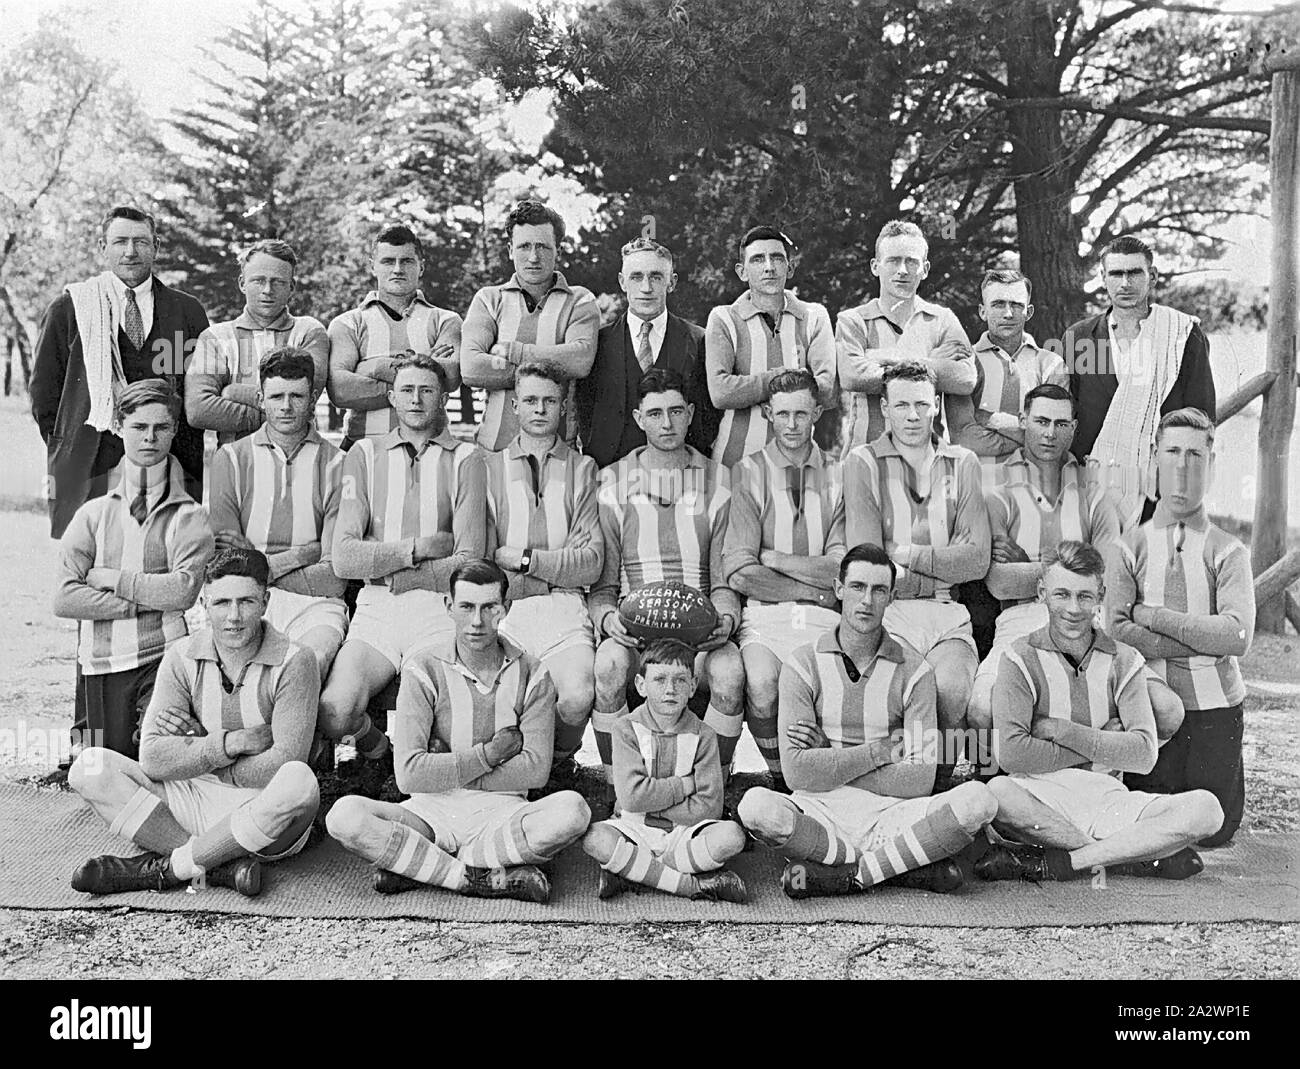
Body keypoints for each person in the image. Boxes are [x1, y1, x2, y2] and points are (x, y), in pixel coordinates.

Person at [737, 544, 998, 898]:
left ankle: (850, 875)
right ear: (838, 589)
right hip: (822, 808)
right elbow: (797, 773)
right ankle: (902, 867)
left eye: (878, 590)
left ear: (891, 597)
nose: (867, 601)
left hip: (891, 812)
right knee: (754, 807)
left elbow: (920, 780)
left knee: (979, 800)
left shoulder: (915, 671)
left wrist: (828, 757)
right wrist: (880, 752)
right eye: (858, 587)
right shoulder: (802, 664)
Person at [325, 559, 591, 903]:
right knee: (344, 817)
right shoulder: (423, 669)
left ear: (505, 609)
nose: (477, 621)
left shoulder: (533, 673)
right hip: (431, 811)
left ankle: (424, 866)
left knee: (574, 811)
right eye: (466, 607)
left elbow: (536, 772)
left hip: (503, 811)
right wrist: (490, 755)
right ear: (448, 607)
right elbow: (408, 777)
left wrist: (446, 767)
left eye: (489, 608)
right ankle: (472, 876)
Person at [67, 547, 321, 898]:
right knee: (87, 767)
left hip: (262, 814)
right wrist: (229, 743)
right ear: (204, 604)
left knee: (299, 781)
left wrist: (199, 749)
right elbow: (153, 758)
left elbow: (283, 763)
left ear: (265, 601)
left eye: (246, 601)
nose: (234, 616)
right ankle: (219, 866)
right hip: (195, 796)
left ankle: (169, 869)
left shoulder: (296, 660)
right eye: (221, 603)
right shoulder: (181, 656)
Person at [977, 541, 1222, 882]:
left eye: (1085, 596)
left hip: (1108, 799)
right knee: (998, 795)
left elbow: (1143, 755)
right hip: (1039, 798)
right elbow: (1013, 754)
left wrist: (1064, 731)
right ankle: (1130, 857)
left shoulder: (1124, 660)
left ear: (1101, 595)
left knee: (1208, 809)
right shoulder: (1019, 657)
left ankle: (1070, 862)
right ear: (1042, 592)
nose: (1073, 608)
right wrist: (1103, 746)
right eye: (1061, 594)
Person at [318, 355, 486, 765]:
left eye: (427, 390)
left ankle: (413, 786)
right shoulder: (364, 453)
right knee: (335, 710)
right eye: (407, 390)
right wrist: (417, 549)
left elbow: (469, 560)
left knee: (439, 721)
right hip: (377, 609)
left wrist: (398, 575)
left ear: (444, 397)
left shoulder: (468, 458)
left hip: (438, 611)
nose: (416, 400)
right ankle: (377, 749)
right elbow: (343, 558)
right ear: (391, 397)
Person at [589, 368, 745, 801]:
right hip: (637, 631)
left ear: (691, 413)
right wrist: (606, 618)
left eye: (676, 411)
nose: (667, 423)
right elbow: (602, 587)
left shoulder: (719, 480)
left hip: (697, 633)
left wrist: (727, 618)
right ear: (639, 418)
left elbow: (723, 578)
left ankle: (717, 785)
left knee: (731, 674)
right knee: (608, 667)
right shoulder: (612, 482)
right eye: (655, 413)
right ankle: (614, 783)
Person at [1106, 408, 1253, 847]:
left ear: (1211, 464)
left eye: (1195, 454)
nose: (1183, 465)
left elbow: (1237, 637)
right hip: (1150, 709)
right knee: (1146, 820)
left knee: (1214, 831)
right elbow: (1115, 631)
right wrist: (1200, 637)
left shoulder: (1229, 551)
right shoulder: (1128, 546)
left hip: (1215, 709)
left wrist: (1152, 617)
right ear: (1155, 459)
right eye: (1172, 452)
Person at [52, 381, 214, 761]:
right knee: (104, 768)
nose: (150, 438)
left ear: (175, 429)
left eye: (161, 427)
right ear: (120, 427)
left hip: (164, 656)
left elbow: (183, 593)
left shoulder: (189, 514)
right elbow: (64, 598)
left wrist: (112, 580)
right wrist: (138, 602)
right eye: (139, 427)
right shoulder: (93, 512)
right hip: (103, 661)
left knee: (159, 758)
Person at [843, 360, 989, 780]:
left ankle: (947, 794)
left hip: (947, 613)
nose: (912, 415)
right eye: (901, 405)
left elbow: (977, 561)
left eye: (922, 405)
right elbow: (869, 562)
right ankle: (907, 792)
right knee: (904, 696)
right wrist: (944, 565)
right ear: (884, 408)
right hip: (889, 613)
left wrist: (905, 553)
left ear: (938, 406)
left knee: (950, 691)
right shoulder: (863, 462)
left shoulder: (963, 462)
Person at [31, 205, 209, 537]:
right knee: (91, 564)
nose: (130, 252)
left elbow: (198, 390)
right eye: (120, 242)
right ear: (103, 247)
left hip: (169, 458)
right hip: (91, 457)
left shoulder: (187, 311)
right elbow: (44, 396)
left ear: (156, 246)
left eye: (141, 242)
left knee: (165, 557)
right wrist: (68, 443)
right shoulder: (70, 309)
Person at [722, 367, 845, 785]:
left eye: (800, 414)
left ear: (817, 413)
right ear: (767, 416)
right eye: (782, 414)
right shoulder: (747, 472)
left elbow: (839, 569)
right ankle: (782, 776)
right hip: (766, 616)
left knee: (828, 693)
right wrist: (810, 591)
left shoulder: (839, 474)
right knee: (761, 685)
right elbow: (739, 573)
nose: (791, 425)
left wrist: (772, 557)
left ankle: (822, 779)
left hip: (824, 619)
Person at [486, 363, 602, 768]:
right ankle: (515, 772)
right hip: (506, 611)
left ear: (563, 407)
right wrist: (556, 563)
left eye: (549, 401)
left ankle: (556, 764)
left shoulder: (583, 469)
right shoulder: (488, 468)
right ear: (516, 406)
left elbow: (589, 564)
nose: (540, 409)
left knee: (576, 698)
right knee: (498, 710)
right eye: (531, 400)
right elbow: (485, 559)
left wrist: (522, 559)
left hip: (564, 607)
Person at [207, 347, 347, 680]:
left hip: (316, 604)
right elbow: (228, 569)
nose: (286, 407)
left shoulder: (339, 464)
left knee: (306, 663)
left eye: (296, 396)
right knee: (239, 675)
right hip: (243, 602)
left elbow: (334, 576)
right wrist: (305, 552)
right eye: (276, 396)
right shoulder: (230, 459)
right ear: (260, 398)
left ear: (313, 398)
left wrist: (259, 563)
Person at [1065, 235, 1216, 529]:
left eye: (1134, 272)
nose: (1125, 283)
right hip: (1091, 485)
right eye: (1116, 273)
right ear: (1103, 277)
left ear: (1153, 276)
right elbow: (1068, 411)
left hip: (1158, 488)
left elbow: (1201, 417)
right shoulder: (1079, 337)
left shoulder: (1182, 335)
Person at [581, 640, 748, 902]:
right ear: (640, 685)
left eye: (680, 680)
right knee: (594, 838)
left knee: (732, 837)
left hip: (683, 832)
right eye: (659, 680)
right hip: (634, 829)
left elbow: (711, 806)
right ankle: (688, 885)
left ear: (693, 687)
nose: (670, 689)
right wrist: (684, 786)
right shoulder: (626, 729)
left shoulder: (703, 734)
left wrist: (649, 804)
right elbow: (631, 799)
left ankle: (636, 872)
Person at [461, 200, 600, 452]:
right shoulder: (489, 299)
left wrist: (513, 352)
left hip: (559, 454)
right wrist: (553, 364)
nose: (534, 257)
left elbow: (579, 361)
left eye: (543, 247)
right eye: (524, 246)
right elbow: (471, 368)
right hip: (494, 452)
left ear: (558, 249)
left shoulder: (580, 300)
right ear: (510, 249)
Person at [835, 220, 974, 454]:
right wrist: (931, 362)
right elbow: (852, 376)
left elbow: (966, 378)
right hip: (866, 460)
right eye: (893, 260)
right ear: (875, 266)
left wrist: (888, 357)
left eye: (911, 261)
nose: (902, 270)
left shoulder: (942, 320)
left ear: (925, 269)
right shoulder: (853, 320)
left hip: (926, 464)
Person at [576, 237, 717, 466]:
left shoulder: (700, 341)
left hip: (682, 480)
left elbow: (710, 417)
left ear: (671, 282)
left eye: (656, 276)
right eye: (636, 276)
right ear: (622, 282)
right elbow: (583, 410)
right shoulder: (596, 344)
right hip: (610, 479)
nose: (646, 287)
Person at [704, 225, 836, 468]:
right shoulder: (723, 318)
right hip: (734, 460)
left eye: (777, 258)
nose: (769, 267)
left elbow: (826, 391)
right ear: (742, 271)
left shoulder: (814, 316)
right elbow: (720, 392)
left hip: (798, 462)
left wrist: (748, 386)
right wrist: (789, 377)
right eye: (757, 259)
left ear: (790, 266)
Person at [327, 224, 461, 451]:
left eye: (407, 261)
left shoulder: (446, 320)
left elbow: (449, 378)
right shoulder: (347, 323)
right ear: (373, 267)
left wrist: (371, 367)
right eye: (388, 261)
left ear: (421, 267)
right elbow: (340, 391)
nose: (398, 269)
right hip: (363, 447)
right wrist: (423, 367)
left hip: (429, 448)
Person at [185, 239, 329, 448]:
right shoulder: (215, 337)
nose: (268, 290)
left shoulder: (309, 331)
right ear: (242, 283)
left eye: (278, 281)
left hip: (299, 458)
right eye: (259, 281)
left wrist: (233, 393)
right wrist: (279, 417)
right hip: (234, 463)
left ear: (292, 287)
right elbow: (199, 410)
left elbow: (304, 402)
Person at [946, 269, 1067, 477]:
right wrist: (1028, 436)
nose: (1008, 313)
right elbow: (963, 438)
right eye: (998, 304)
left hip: (1034, 486)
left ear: (1028, 312)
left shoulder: (1051, 364)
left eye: (1016, 305)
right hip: (977, 484)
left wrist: (992, 420)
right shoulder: (965, 362)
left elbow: (1055, 438)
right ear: (983, 311)